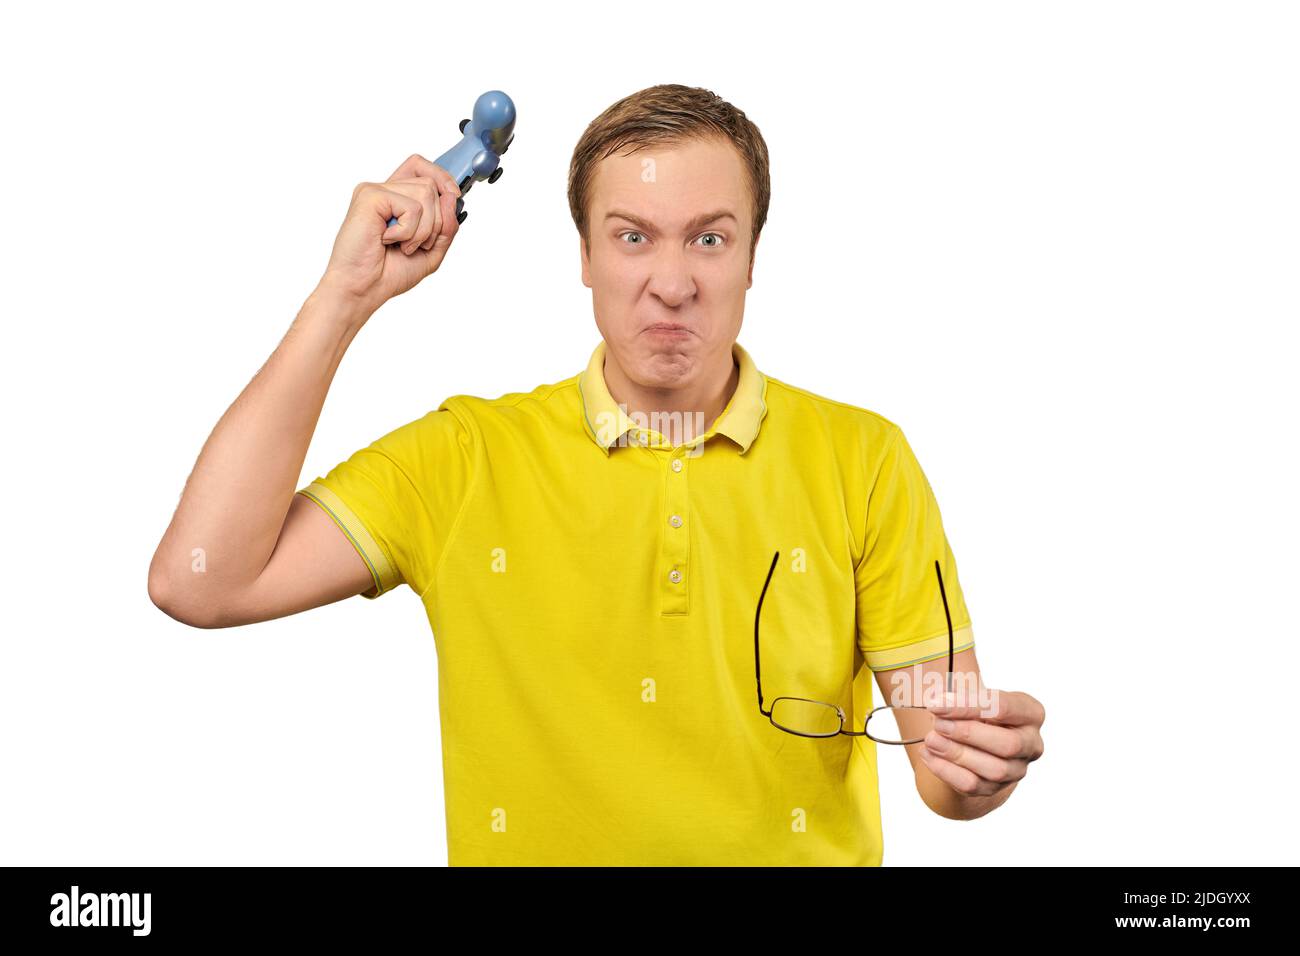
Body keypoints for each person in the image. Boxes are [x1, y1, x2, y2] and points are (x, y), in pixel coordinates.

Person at [148, 83, 1045, 866]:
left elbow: (943, 749)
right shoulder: (466, 458)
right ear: (583, 256)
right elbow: (203, 581)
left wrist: (978, 768)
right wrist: (343, 298)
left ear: (752, 258)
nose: (670, 281)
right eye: (632, 237)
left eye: (708, 239)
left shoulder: (865, 460)